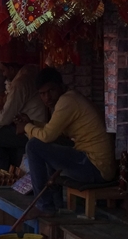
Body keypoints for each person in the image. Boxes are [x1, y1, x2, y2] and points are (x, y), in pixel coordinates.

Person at [16, 67, 115, 214]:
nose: (47, 97)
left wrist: (26, 127)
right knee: (48, 145)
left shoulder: (67, 101)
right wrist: (32, 123)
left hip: (95, 167)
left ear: (61, 87)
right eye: (42, 94)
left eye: (51, 91)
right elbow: (53, 132)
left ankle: (44, 206)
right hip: (92, 164)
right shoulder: (68, 99)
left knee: (33, 146)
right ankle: (56, 204)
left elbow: (47, 136)